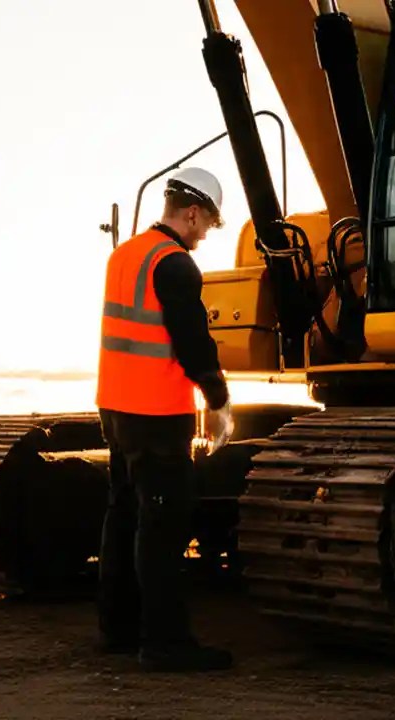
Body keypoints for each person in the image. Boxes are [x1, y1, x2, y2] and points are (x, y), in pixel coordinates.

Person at [95, 166, 235, 672]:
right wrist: (218, 400)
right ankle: (165, 643)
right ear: (192, 213)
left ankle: (118, 628)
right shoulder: (175, 265)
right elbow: (193, 341)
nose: (203, 236)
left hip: (116, 407)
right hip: (156, 412)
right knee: (164, 526)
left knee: (124, 514)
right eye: (206, 226)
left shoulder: (125, 254)